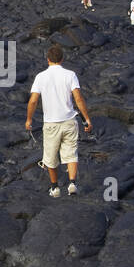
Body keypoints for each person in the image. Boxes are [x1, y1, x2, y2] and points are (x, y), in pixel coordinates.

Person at [27, 44, 92, 197]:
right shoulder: (70, 75)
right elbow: (78, 99)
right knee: (71, 153)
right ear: (62, 59)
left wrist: (29, 119)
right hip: (69, 120)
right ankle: (72, 183)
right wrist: (87, 119)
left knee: (50, 156)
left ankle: (55, 187)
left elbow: (33, 101)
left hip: (51, 123)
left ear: (47, 59)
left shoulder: (41, 77)